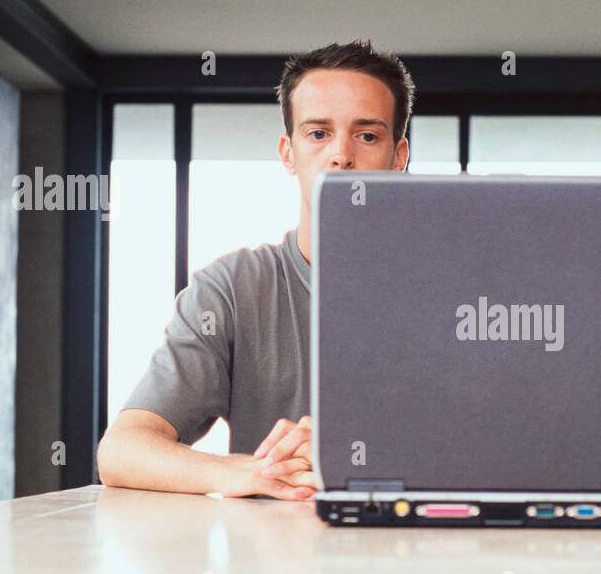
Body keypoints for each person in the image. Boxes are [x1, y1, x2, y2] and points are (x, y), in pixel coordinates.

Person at [97, 40, 413, 499]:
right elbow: (121, 451)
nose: (342, 156)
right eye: (318, 133)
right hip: (273, 558)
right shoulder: (229, 290)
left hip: (421, 554)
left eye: (367, 135)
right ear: (288, 153)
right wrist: (245, 472)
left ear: (397, 156)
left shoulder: (457, 293)